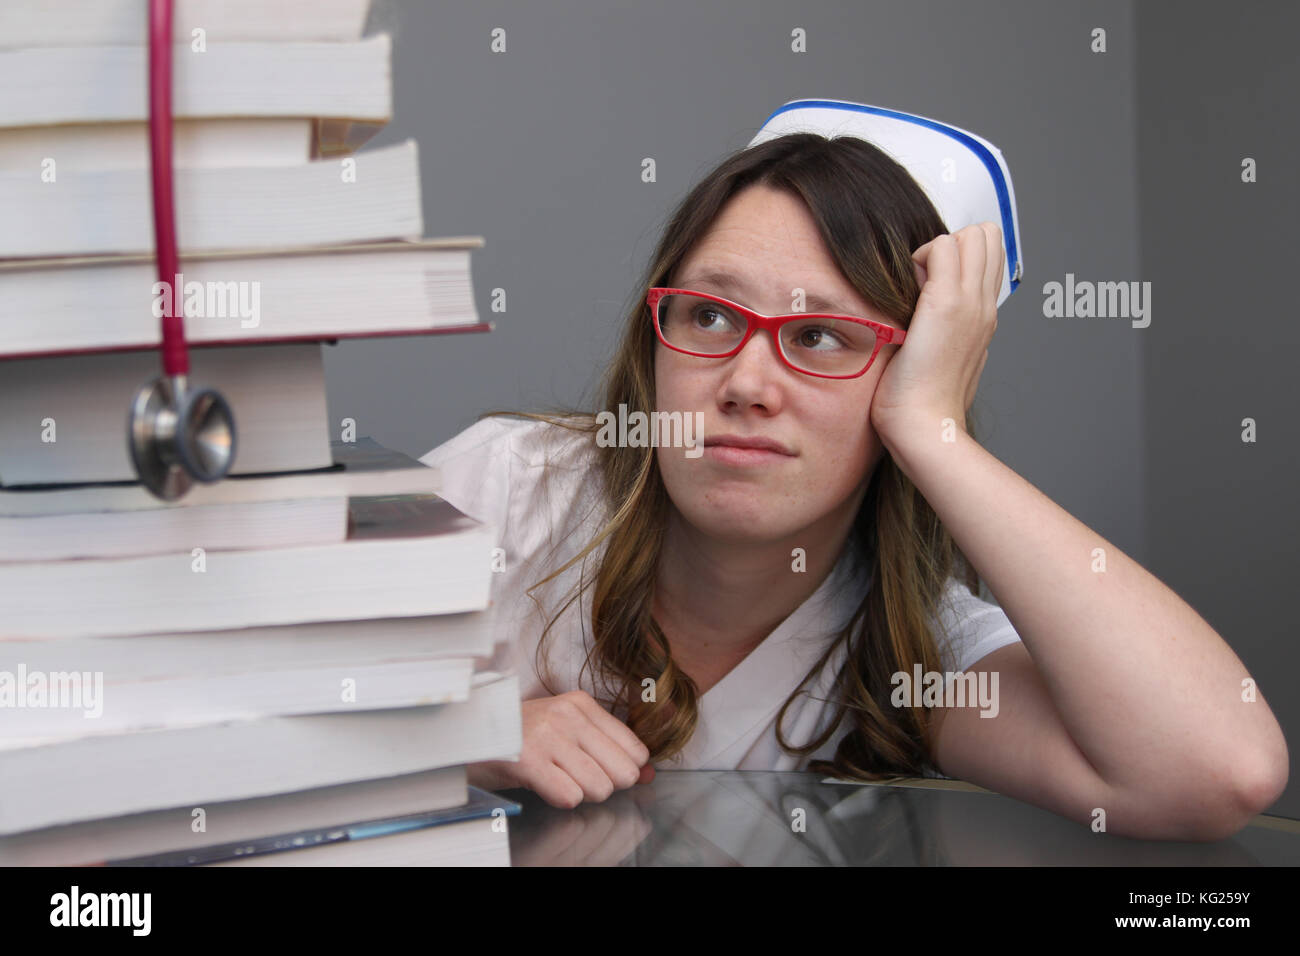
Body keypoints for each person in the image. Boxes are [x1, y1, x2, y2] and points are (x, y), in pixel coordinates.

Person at [421, 132, 1287, 840]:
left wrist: (934, 437)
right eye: (711, 316)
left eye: (822, 335)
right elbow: (283, 713)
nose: (747, 383)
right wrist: (456, 734)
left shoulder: (912, 652)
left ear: (912, 375)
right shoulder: (504, 489)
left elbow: (1219, 770)